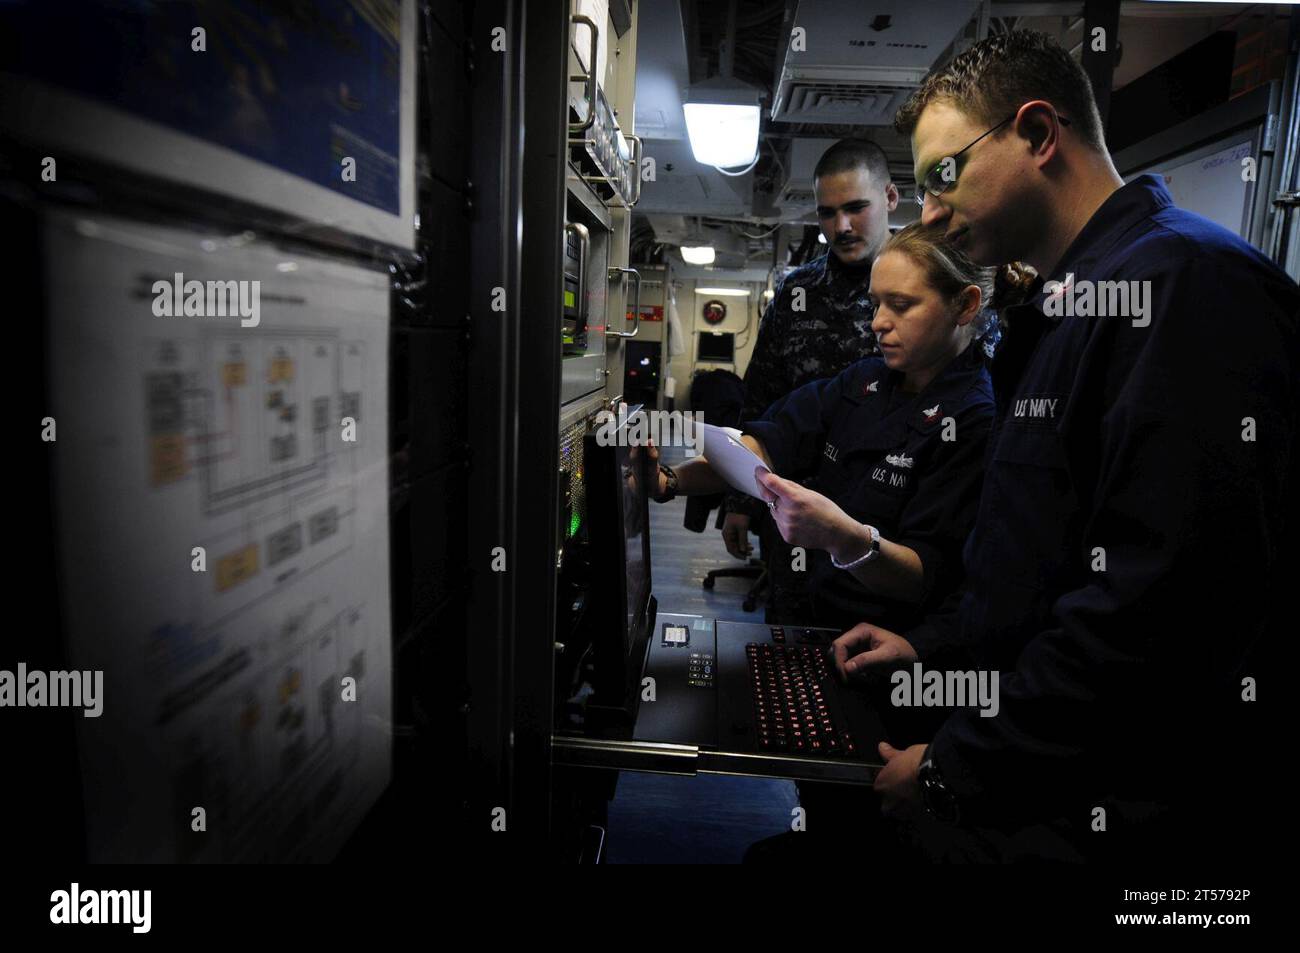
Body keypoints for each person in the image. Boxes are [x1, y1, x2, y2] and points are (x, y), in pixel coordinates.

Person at [833, 29, 1298, 863]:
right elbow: (1039, 568)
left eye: (945, 174)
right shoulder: (1063, 315)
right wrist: (933, 650)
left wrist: (952, 772)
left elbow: (1151, 617)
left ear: (1039, 134)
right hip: (1032, 785)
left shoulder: (1185, 287)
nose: (929, 210)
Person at [653, 224, 1032, 637]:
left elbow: (928, 577)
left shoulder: (977, 418)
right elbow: (762, 446)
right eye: (876, 304)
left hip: (888, 644)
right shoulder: (863, 382)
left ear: (965, 306)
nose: (878, 323)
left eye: (901, 305)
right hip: (820, 618)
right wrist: (670, 480)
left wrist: (844, 538)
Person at [721, 139, 898, 622]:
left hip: (892, 521)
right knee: (791, 650)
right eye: (827, 213)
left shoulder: (922, 288)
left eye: (856, 208)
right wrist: (740, 501)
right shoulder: (798, 292)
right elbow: (760, 399)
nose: (841, 226)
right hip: (796, 518)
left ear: (890, 199)